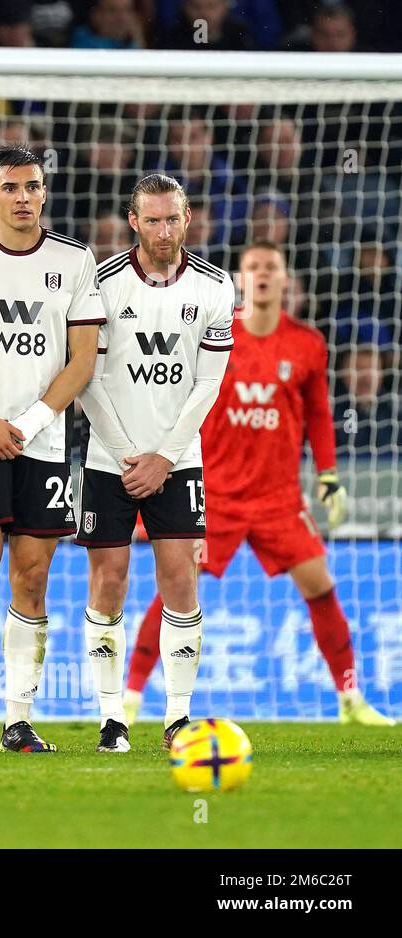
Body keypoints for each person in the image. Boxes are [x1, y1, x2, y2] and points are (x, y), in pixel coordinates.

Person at [125, 241, 393, 726]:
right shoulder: (216, 334)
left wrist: (328, 476)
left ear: (286, 279)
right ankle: (131, 696)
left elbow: (318, 414)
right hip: (218, 496)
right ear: (239, 279)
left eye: (272, 267)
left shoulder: (307, 343)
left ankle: (350, 697)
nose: (264, 274)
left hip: (279, 499)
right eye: (254, 267)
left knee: (321, 586)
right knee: (175, 588)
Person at [0, 145, 103, 754]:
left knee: (32, 580)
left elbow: (82, 358)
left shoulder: (74, 261)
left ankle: (18, 719)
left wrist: (32, 422)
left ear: (44, 192)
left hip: (43, 443)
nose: (22, 197)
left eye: (32, 186)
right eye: (10, 187)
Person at [78, 173, 235, 753]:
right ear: (133, 221)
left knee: (180, 581)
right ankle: (111, 718)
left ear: (187, 218)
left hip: (178, 461)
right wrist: (128, 455)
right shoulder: (99, 283)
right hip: (107, 460)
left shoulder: (217, 287)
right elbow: (85, 380)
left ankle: (177, 716)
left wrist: (164, 458)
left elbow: (208, 383)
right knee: (109, 581)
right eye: (152, 219)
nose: (163, 230)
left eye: (173, 218)